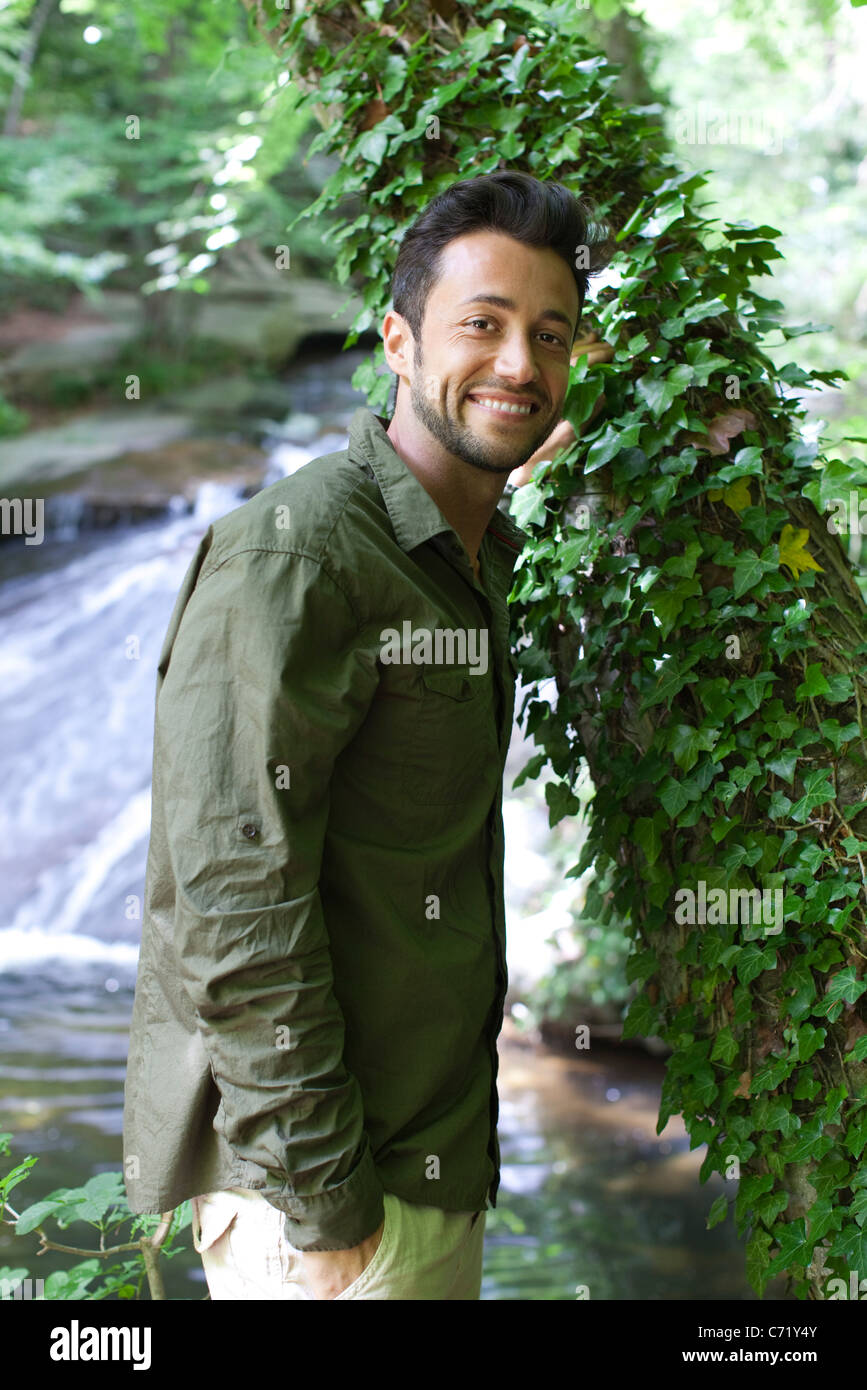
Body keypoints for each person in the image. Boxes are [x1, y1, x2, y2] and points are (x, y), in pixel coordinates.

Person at [122, 169, 614, 1300]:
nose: (518, 364)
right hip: (329, 1212)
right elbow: (232, 901)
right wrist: (330, 1214)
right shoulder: (296, 558)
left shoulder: (466, 560)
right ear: (398, 340)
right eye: (480, 325)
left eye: (549, 334)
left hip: (427, 1176)